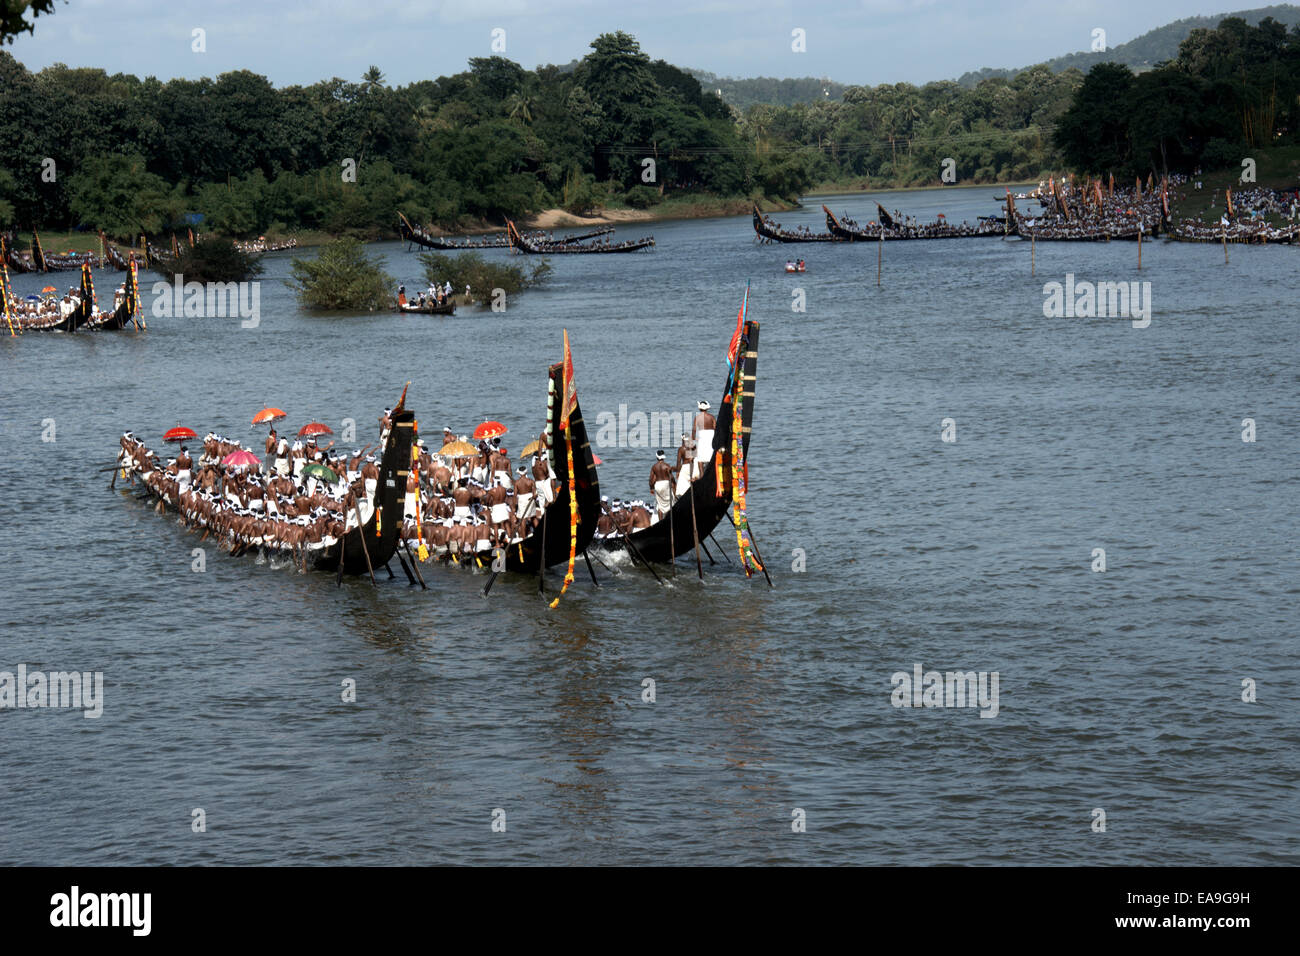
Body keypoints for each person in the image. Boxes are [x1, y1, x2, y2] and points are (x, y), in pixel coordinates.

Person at [649, 450, 673, 517]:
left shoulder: (654, 467)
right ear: (664, 457)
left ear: (657, 457)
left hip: (658, 485)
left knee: (660, 505)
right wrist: (674, 484)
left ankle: (660, 521)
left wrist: (651, 488)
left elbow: (651, 479)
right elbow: (671, 477)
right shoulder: (667, 466)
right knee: (669, 503)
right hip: (666, 484)